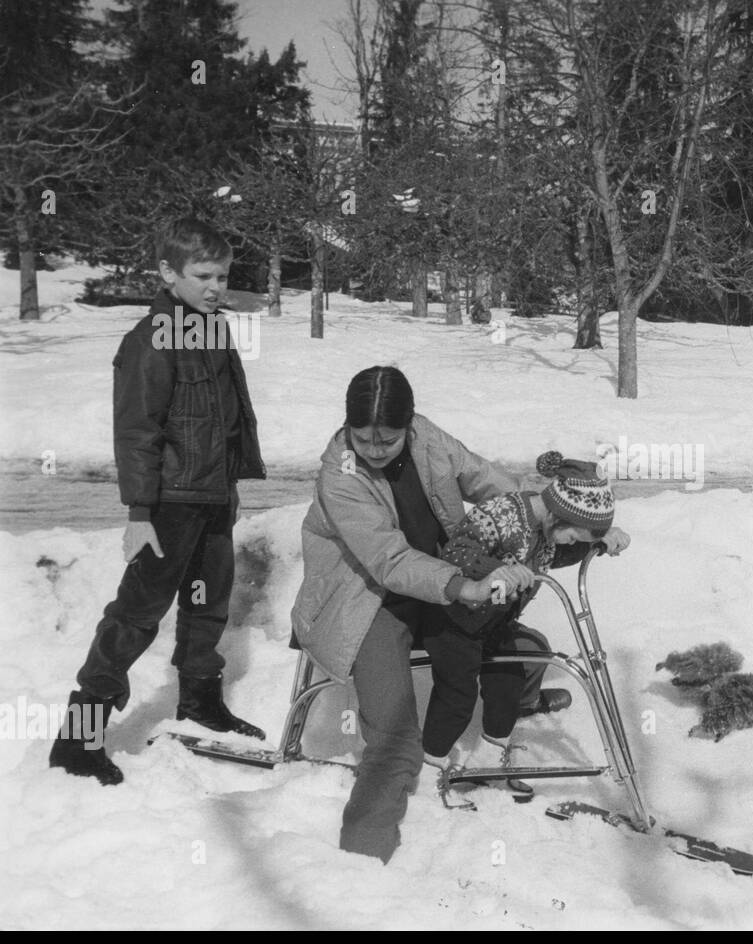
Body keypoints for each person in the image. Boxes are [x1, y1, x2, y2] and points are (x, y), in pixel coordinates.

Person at [290, 367, 571, 863]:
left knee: (526, 650)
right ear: (347, 427)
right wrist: (465, 586)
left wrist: (560, 518)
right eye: (364, 438)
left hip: (441, 581)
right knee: (396, 739)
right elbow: (390, 561)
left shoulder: (428, 440)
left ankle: (511, 709)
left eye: (389, 438)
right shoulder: (340, 475)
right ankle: (362, 859)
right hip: (368, 598)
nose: (376, 449)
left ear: (410, 423)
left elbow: (496, 489)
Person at [49, 218, 267, 786]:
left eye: (223, 275)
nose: (216, 286)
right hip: (168, 504)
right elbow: (137, 433)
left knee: (207, 603)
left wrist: (231, 485)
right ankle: (79, 738)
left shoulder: (213, 332)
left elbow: (223, 419)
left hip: (214, 497)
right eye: (203, 276)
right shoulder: (148, 341)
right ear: (168, 273)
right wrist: (139, 514)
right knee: (138, 613)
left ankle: (198, 701)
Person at [423, 451, 631, 804]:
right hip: (453, 619)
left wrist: (599, 540)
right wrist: (493, 570)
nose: (571, 545)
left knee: (509, 679)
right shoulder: (501, 514)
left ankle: (490, 759)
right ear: (558, 515)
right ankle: (429, 770)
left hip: (494, 620)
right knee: (457, 695)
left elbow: (557, 553)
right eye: (573, 537)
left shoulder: (550, 528)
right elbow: (455, 554)